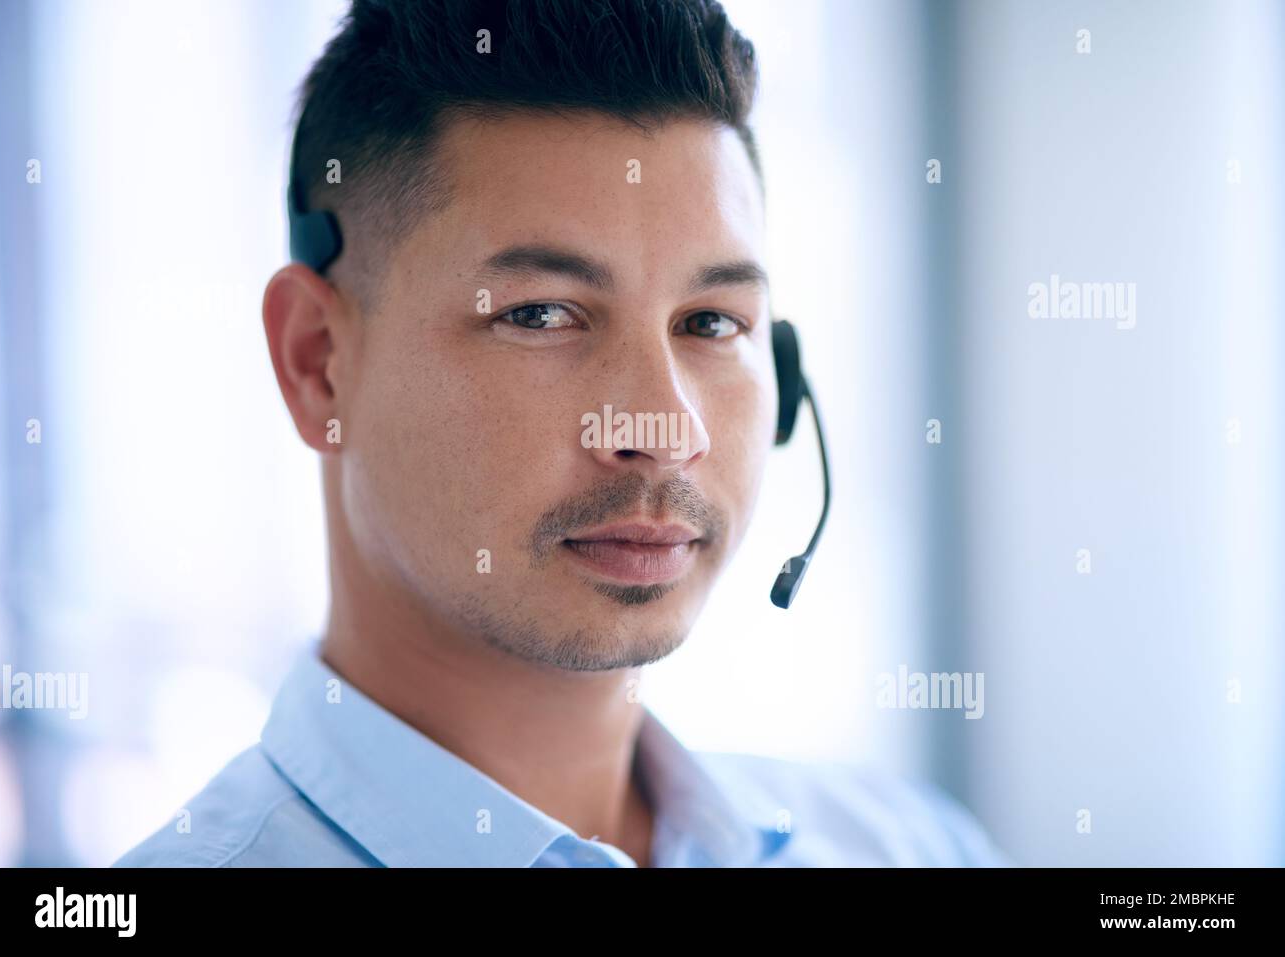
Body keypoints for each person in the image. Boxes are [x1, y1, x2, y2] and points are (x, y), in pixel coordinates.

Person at [114, 0, 1010, 868]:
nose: (664, 428)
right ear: (318, 364)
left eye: (710, 322)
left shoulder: (916, 847)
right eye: (542, 314)